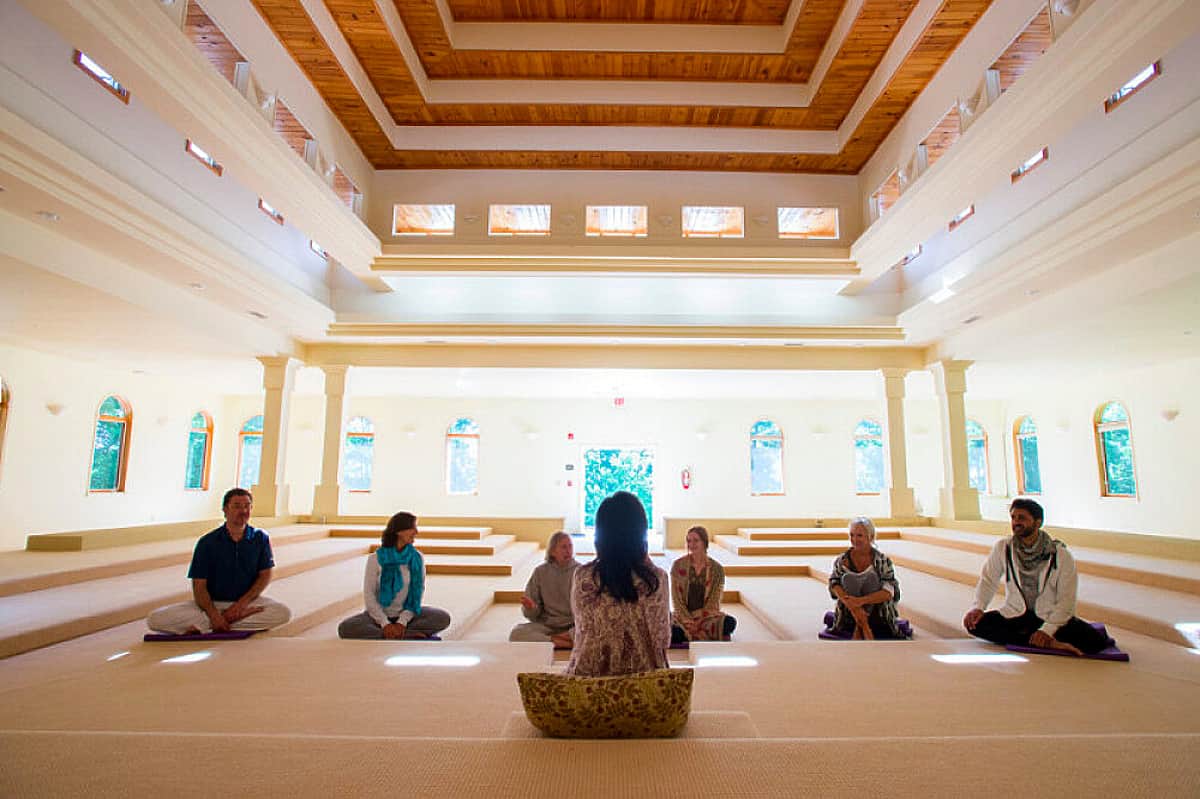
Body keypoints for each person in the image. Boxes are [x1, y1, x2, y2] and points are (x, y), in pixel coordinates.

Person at [963, 498, 1112, 655]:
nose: (1016, 523)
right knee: (975, 625)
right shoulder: (1003, 548)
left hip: (1049, 616)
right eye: (1013, 518)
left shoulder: (1060, 555)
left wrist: (1047, 630)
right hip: (1016, 614)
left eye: (1022, 518)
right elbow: (988, 580)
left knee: (1094, 642)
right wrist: (978, 607)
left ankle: (1040, 639)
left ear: (1038, 522)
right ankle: (1047, 643)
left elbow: (1066, 601)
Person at [147, 488, 291, 634]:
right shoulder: (207, 542)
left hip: (247, 603)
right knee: (155, 619)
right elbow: (199, 585)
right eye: (237, 506)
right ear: (225, 509)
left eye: (247, 506)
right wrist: (213, 614)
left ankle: (209, 625)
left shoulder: (260, 538)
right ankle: (221, 622)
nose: (243, 510)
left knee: (282, 612)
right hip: (212, 603)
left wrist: (241, 605)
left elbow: (265, 575)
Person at [566, 491, 670, 676]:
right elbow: (662, 640)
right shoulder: (656, 580)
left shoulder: (583, 577)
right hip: (644, 689)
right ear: (641, 534)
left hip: (590, 687)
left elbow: (582, 632)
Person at [337, 512, 451, 640]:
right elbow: (369, 596)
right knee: (346, 628)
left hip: (408, 617)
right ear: (399, 531)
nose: (416, 532)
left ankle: (395, 633)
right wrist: (384, 624)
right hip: (378, 618)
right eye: (412, 528)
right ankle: (406, 635)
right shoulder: (375, 559)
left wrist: (402, 622)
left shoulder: (416, 558)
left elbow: (416, 595)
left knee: (442, 618)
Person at [827, 517, 908, 640]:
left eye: (859, 535)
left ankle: (860, 625)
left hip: (877, 611)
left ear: (870, 537)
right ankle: (863, 624)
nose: (854, 539)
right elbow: (834, 584)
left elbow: (889, 592)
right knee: (847, 578)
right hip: (850, 611)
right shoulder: (842, 560)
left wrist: (860, 602)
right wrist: (852, 605)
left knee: (872, 579)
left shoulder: (882, 561)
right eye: (852, 535)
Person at [510, 531, 579, 647]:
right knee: (517, 633)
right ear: (552, 551)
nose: (568, 551)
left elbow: (587, 610)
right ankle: (561, 642)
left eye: (570, 546)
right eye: (563, 547)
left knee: (595, 630)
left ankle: (554, 641)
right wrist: (531, 608)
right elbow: (533, 614)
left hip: (573, 626)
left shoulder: (580, 572)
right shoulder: (540, 572)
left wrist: (574, 630)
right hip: (548, 626)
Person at [670, 525, 736, 643]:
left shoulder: (717, 569)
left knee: (729, 623)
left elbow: (714, 600)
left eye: (696, 540)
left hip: (706, 618)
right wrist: (688, 621)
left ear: (704, 542)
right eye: (689, 541)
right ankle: (689, 633)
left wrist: (699, 622)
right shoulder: (678, 566)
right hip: (683, 618)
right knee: (670, 628)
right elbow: (676, 599)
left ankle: (689, 635)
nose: (692, 544)